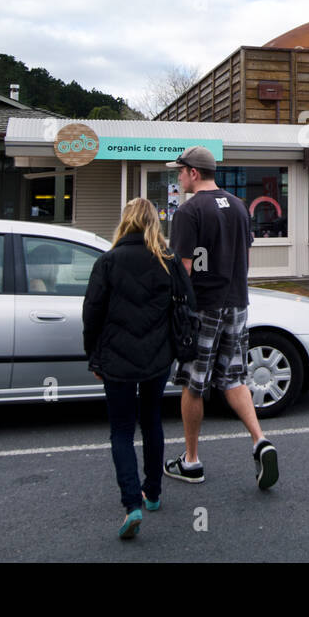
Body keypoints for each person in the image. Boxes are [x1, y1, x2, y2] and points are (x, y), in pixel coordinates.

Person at [162, 146, 278, 490]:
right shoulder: (240, 207)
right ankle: (260, 441)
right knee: (233, 377)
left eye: (180, 171)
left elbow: (184, 269)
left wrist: (173, 305)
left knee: (194, 384)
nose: (178, 177)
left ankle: (192, 461)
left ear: (193, 173)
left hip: (204, 306)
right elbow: (246, 257)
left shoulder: (189, 211)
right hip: (237, 303)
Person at [82, 198, 175, 539]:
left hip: (117, 359)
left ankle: (132, 503)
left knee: (121, 429)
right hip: (157, 357)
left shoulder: (108, 261)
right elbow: (184, 307)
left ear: (126, 222)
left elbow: (91, 313)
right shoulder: (168, 261)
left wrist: (93, 354)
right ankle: (153, 493)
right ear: (154, 223)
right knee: (151, 421)